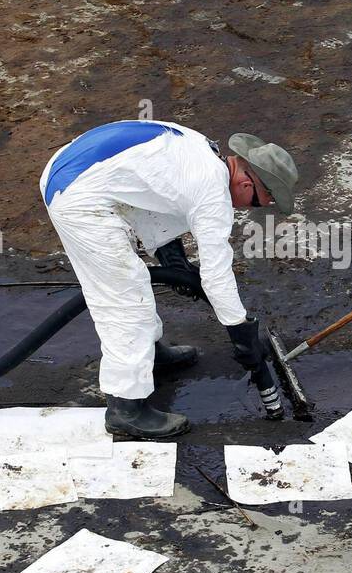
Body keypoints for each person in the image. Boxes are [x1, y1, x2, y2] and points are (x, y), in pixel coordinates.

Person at [41, 119, 298, 438]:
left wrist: (172, 257)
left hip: (77, 172)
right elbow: (217, 275)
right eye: (258, 203)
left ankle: (149, 355)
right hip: (80, 199)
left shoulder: (202, 149)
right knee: (124, 302)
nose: (251, 210)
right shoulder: (212, 193)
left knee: (132, 287)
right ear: (248, 185)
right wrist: (240, 331)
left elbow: (157, 190)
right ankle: (126, 409)